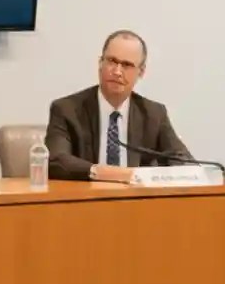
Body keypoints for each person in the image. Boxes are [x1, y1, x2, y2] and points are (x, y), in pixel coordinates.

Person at [44, 29, 192, 182]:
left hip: (136, 202)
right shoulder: (67, 109)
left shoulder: (153, 114)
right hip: (86, 199)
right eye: (112, 61)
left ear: (141, 72)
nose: (117, 71)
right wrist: (119, 175)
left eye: (127, 65)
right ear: (100, 63)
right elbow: (55, 161)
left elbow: (183, 161)